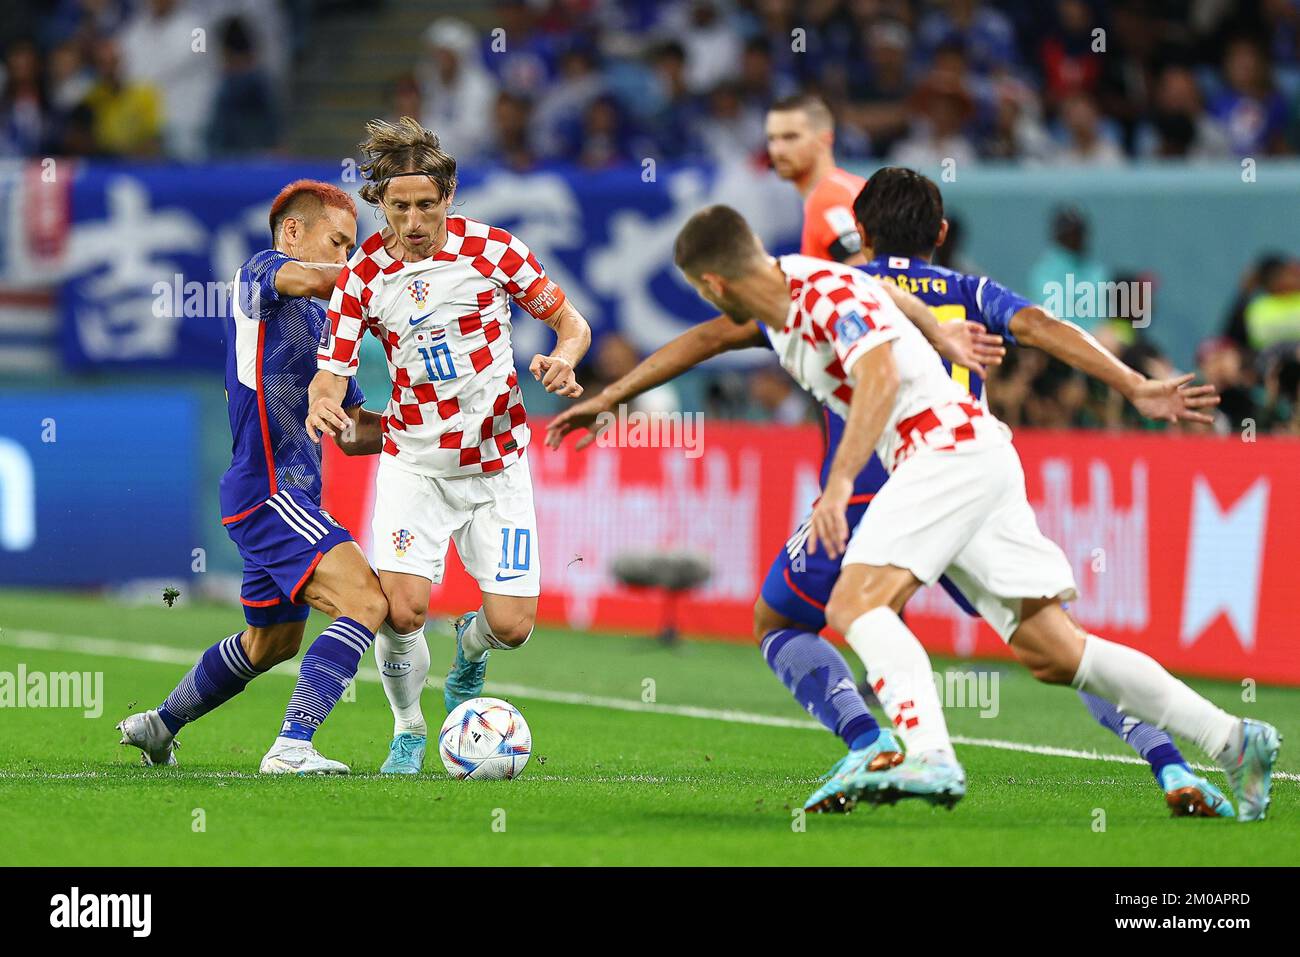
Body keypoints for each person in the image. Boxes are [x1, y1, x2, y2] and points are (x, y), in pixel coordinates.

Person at [549, 167, 1235, 818]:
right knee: (1055, 645)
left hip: (891, 479)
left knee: (785, 620)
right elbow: (1042, 328)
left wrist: (613, 396)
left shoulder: (823, 287)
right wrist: (1132, 384)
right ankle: (1176, 759)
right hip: (970, 470)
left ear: (860, 232)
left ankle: (881, 742)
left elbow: (711, 339)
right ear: (939, 235)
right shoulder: (966, 289)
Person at [307, 117, 591, 775]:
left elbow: (569, 321)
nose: (412, 221)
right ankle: (408, 728)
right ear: (380, 203)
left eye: (426, 206)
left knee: (513, 624)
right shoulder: (362, 278)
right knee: (401, 610)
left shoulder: (496, 252)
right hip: (414, 467)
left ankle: (471, 649)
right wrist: (326, 396)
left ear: (450, 196)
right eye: (399, 206)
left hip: (498, 467)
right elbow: (334, 367)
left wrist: (567, 355)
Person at [119, 180, 390, 774]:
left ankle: (161, 723)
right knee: (365, 600)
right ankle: (292, 747)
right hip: (268, 491)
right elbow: (323, 280)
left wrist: (429, 427)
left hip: (289, 497)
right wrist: (400, 280)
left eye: (353, 248)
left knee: (272, 643)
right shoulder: (259, 277)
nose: (346, 259)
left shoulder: (327, 325)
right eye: (339, 243)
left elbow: (352, 430)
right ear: (293, 232)